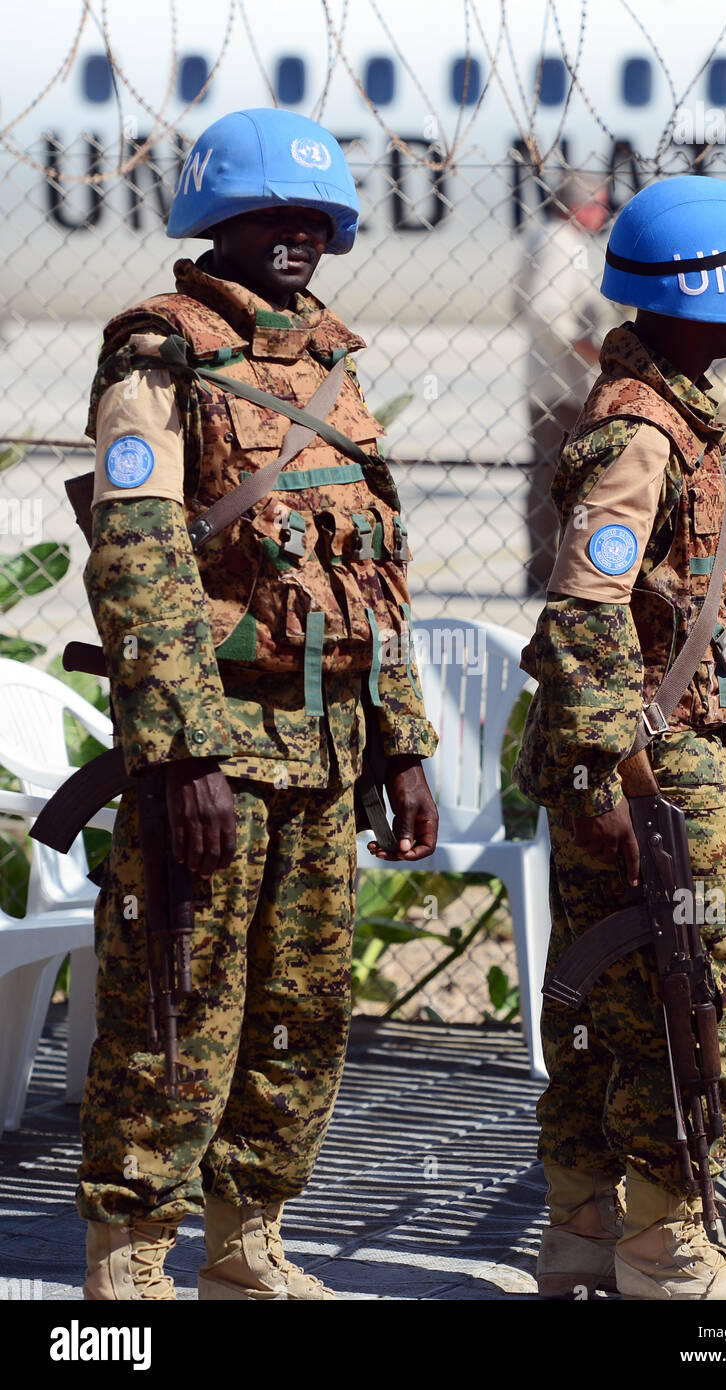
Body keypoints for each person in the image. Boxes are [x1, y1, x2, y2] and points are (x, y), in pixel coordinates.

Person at [76, 109, 439, 1301]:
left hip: (330, 749)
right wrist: (182, 758)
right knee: (175, 1002)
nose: (293, 236)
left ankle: (246, 1244)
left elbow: (374, 573)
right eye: (265, 215)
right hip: (216, 752)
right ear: (214, 224)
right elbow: (139, 557)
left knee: (303, 1008)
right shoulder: (156, 356)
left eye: (312, 218)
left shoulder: (335, 363)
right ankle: (129, 1265)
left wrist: (401, 744)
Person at [513, 175, 726, 1301]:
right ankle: (665, 1252)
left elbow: (717, 547)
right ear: (701, 296)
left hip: (621, 758)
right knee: (697, 998)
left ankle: (579, 1234)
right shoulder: (635, 434)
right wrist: (621, 776)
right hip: (647, 766)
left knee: (615, 1004)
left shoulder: (668, 417)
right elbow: (584, 611)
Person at [513, 174, 618, 595]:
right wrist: (594, 352)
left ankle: (548, 568)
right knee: (555, 477)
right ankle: (546, 571)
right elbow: (546, 311)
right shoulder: (561, 243)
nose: (605, 212)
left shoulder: (549, 236)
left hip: (556, 381)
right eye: (600, 203)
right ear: (578, 205)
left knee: (554, 475)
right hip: (562, 385)